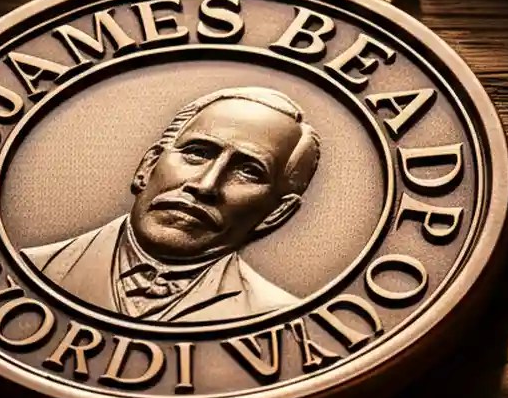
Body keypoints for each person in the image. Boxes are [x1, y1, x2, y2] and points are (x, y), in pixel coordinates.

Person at [22, 86, 322, 322]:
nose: (205, 186)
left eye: (248, 171)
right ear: (147, 166)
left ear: (276, 213)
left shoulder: (277, 316)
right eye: (197, 152)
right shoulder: (35, 268)